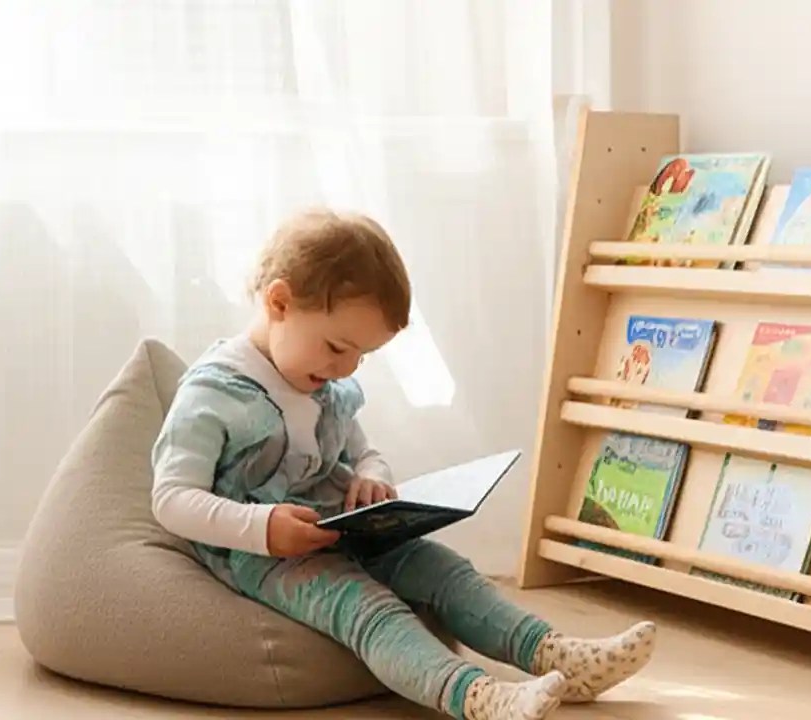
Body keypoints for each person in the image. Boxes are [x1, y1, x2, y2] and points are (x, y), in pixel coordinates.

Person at [149, 208, 656, 720]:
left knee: (445, 569)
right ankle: (477, 696)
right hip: (267, 556)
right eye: (338, 347)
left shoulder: (326, 386)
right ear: (279, 302)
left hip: (345, 529)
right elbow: (171, 499)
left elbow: (364, 451)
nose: (346, 368)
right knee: (367, 608)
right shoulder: (214, 394)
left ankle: (557, 656)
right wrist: (263, 528)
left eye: (362, 356)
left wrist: (373, 478)